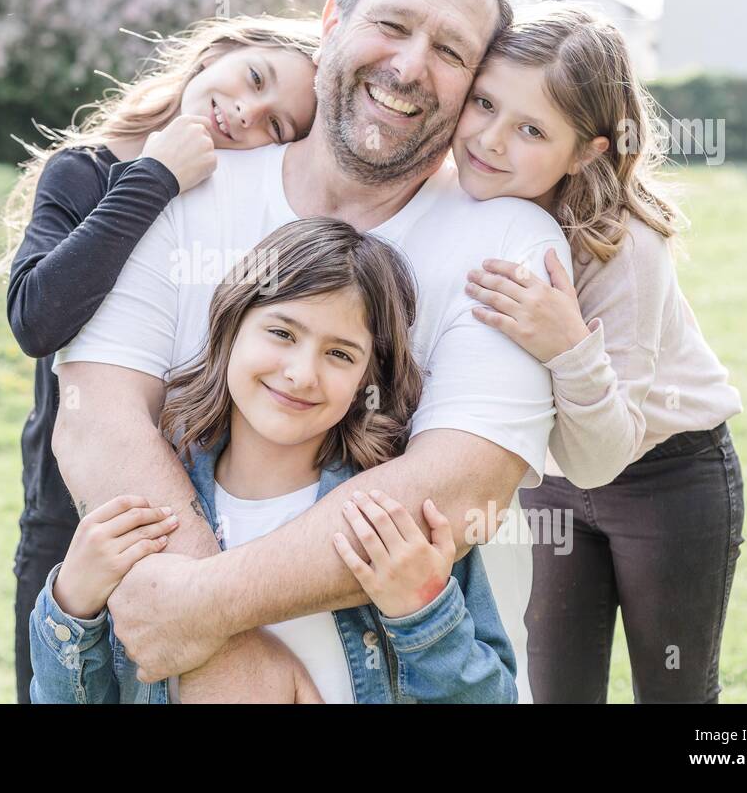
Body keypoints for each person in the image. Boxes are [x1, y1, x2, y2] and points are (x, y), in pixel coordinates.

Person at [49, 0, 570, 703]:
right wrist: (227, 657)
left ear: (472, 86)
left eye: (451, 51)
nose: (409, 65)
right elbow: (97, 414)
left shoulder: (508, 243)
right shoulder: (189, 189)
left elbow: (453, 492)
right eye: (391, 25)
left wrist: (204, 610)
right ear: (331, 24)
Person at [29, 219, 517, 703]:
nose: (302, 374)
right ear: (232, 325)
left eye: (340, 355)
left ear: (371, 376)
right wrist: (72, 605)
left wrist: (423, 615)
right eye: (283, 333)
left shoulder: (394, 528)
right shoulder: (150, 512)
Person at [0, 16, 320, 703]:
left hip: (198, 524)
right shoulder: (86, 170)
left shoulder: (246, 214)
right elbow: (36, 316)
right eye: (254, 78)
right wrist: (156, 176)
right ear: (217, 53)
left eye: (278, 125)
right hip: (68, 515)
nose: (247, 112)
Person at [454, 2, 745, 702]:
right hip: (552, 482)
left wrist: (566, 344)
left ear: (589, 149)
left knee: (672, 689)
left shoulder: (625, 248)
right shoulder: (466, 204)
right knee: (555, 685)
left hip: (667, 478)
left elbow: (604, 452)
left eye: (530, 129)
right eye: (484, 104)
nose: (490, 140)